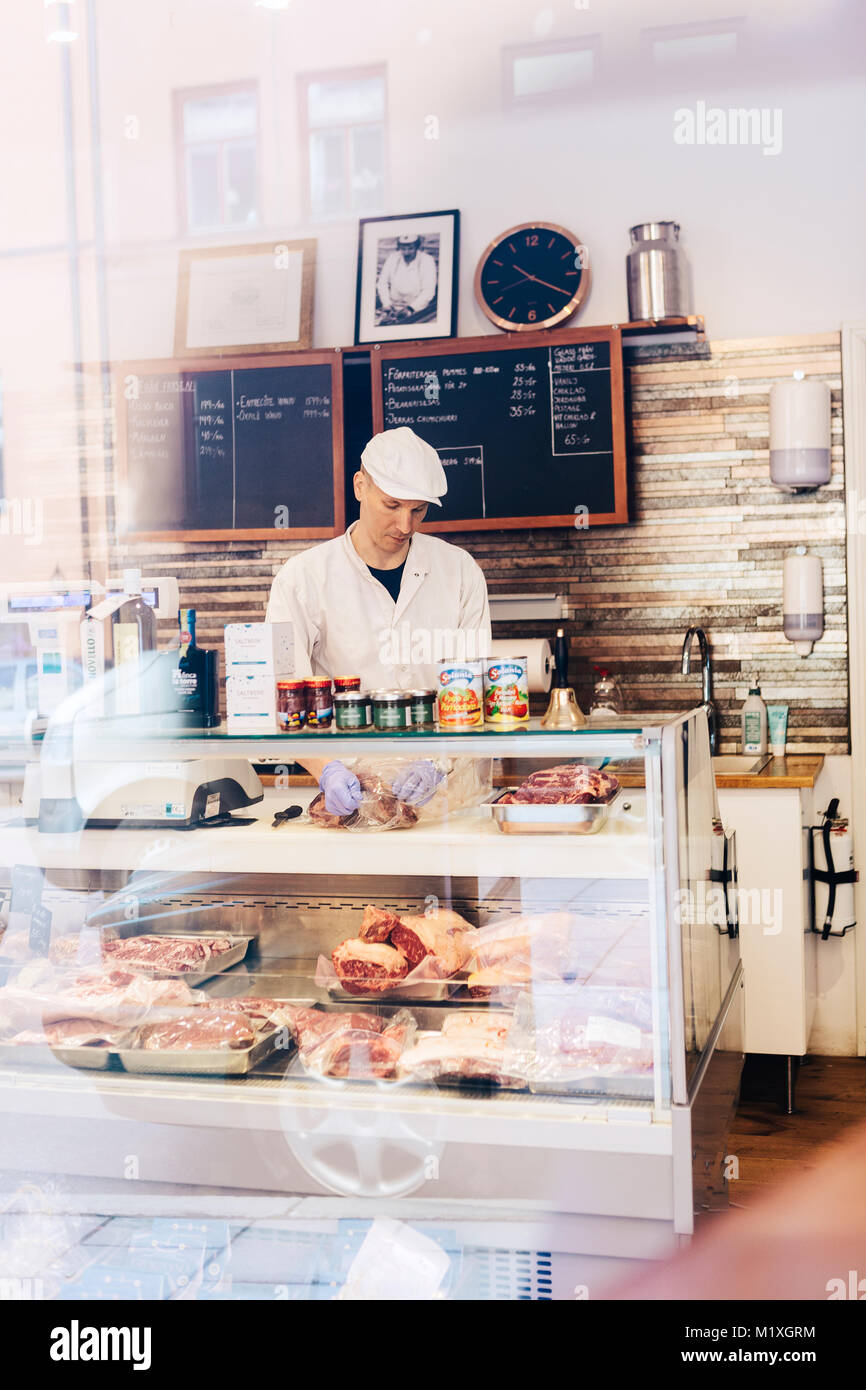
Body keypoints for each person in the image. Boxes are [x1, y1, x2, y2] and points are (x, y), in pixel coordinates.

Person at [266, 426, 491, 816]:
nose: (405, 525)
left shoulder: (460, 571)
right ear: (360, 486)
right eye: (392, 505)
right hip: (354, 803)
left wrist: (438, 762)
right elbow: (283, 692)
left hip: (451, 803)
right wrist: (327, 770)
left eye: (418, 510)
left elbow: (476, 685)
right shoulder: (303, 578)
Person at [376, 234, 438, 325]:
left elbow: (429, 290)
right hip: (392, 305)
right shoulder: (393, 258)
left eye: (410, 248)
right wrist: (387, 304)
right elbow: (382, 283)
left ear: (417, 247)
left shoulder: (427, 260)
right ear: (399, 247)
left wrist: (411, 309)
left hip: (416, 308)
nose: (406, 253)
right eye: (403, 249)